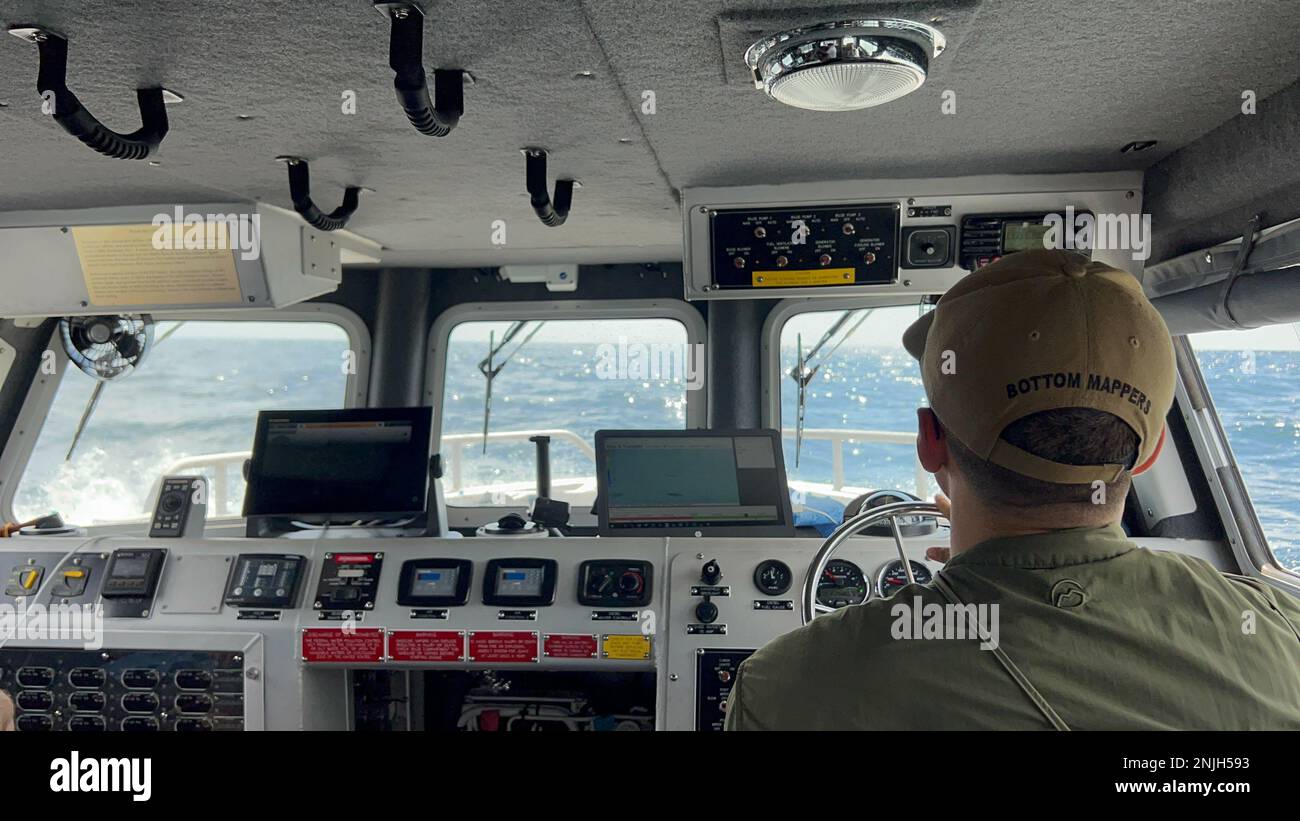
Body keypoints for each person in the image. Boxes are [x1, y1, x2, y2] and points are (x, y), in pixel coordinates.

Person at [725, 249, 1300, 730]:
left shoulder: (787, 689)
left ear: (930, 442)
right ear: (1148, 453)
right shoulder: (1282, 628)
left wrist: (980, 560)